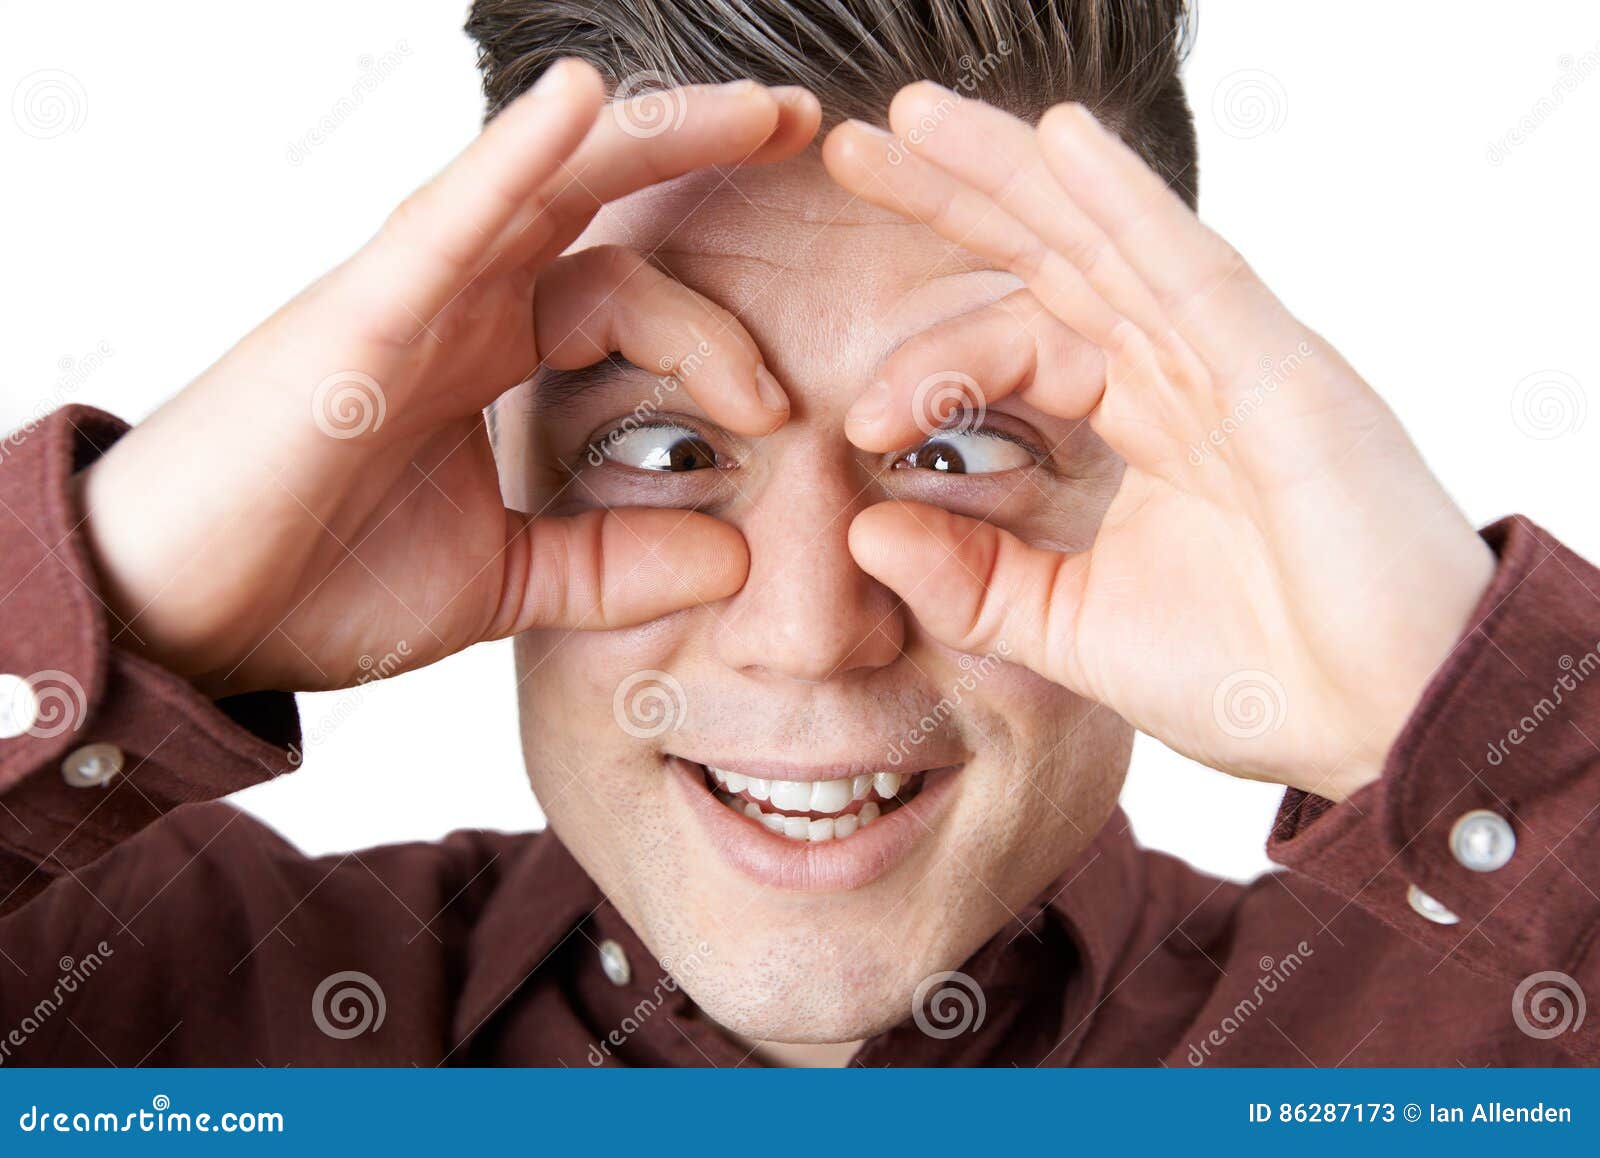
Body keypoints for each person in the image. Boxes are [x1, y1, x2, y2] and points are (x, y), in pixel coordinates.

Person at [0, 0, 1594, 1067]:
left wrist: (1460, 710)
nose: (812, 629)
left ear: (1159, 477)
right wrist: (122, 590)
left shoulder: (1476, 1047)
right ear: (484, 457)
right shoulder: (146, 1001)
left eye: (964, 447)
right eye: (661, 445)